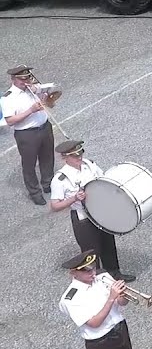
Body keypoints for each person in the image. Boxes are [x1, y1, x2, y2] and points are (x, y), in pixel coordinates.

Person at [50, 140, 136, 282]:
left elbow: (103, 179)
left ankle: (114, 274)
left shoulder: (89, 165)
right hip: (83, 217)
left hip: (100, 210)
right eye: (74, 156)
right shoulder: (60, 179)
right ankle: (96, 281)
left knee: (108, 243)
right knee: (91, 251)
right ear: (65, 158)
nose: (79, 158)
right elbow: (55, 206)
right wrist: (74, 198)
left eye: (80, 154)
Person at [59, 249, 135, 349]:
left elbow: (122, 302)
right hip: (101, 342)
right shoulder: (71, 298)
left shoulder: (102, 276)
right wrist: (111, 298)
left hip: (120, 329)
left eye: (93, 268)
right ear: (73, 273)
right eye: (87, 271)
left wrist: (122, 294)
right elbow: (94, 323)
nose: (93, 273)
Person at [2, 64, 56, 204]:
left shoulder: (33, 89)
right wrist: (30, 111)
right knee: (29, 164)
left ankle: (48, 183)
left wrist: (46, 97)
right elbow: (10, 121)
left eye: (27, 78)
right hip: (27, 134)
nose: (26, 82)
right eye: (22, 80)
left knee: (47, 157)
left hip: (44, 127)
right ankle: (35, 192)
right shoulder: (8, 98)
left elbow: (49, 105)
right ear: (13, 79)